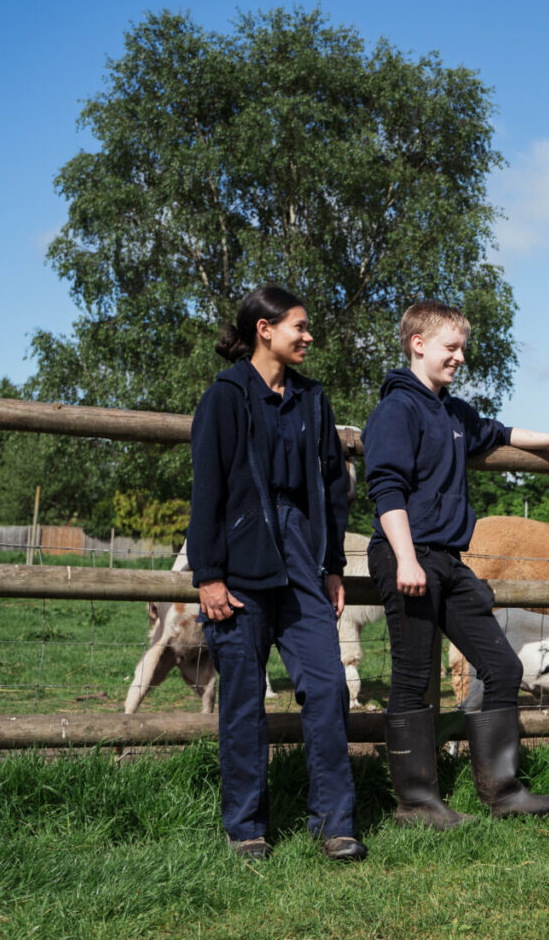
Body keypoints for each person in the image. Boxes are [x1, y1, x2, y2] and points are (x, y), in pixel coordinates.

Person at [363, 299, 549, 827]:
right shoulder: (398, 409)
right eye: (450, 346)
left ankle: (503, 792)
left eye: (462, 347)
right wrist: (406, 558)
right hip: (407, 555)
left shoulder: (452, 411)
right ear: (418, 344)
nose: (460, 356)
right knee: (415, 677)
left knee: (503, 666)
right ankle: (416, 804)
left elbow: (503, 434)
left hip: (450, 561)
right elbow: (386, 488)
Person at [188, 286, 364, 861]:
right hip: (239, 566)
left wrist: (333, 565)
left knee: (329, 686)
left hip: (304, 562)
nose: (308, 336)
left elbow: (333, 489)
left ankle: (334, 823)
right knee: (241, 700)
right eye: (300, 326)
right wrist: (208, 574)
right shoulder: (225, 396)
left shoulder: (313, 400)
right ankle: (246, 829)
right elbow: (208, 489)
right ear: (265, 329)